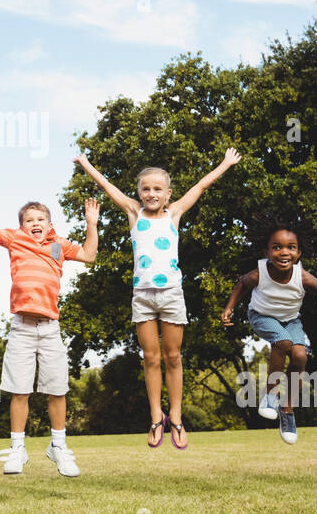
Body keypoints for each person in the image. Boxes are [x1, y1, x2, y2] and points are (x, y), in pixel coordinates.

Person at [75, 148, 241, 448]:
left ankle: (175, 417)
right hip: (143, 295)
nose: (151, 194)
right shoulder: (133, 212)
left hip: (172, 294)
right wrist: (86, 163)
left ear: (168, 194)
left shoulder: (174, 213)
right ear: (139, 192)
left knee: (173, 357)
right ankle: (156, 417)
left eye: (157, 189)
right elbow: (107, 186)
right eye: (146, 188)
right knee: (150, 358)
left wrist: (225, 164)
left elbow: (200, 185)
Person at [0, 190, 99, 476]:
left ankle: (58, 446)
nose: (35, 222)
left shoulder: (58, 245)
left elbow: (89, 256)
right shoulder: (15, 240)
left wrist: (91, 223)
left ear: (49, 223)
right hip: (21, 327)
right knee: (20, 390)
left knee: (57, 389)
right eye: (29, 219)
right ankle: (18, 449)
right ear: (21, 226)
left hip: (50, 328)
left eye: (41, 218)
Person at [220, 226, 317, 444]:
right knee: (283, 342)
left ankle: (287, 411)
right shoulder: (259, 273)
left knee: (300, 356)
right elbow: (242, 283)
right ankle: (270, 396)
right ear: (266, 253)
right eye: (277, 247)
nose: (284, 252)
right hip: (260, 315)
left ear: (298, 253)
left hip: (291, 319)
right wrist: (229, 307)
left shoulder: (303, 277)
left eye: (290, 247)